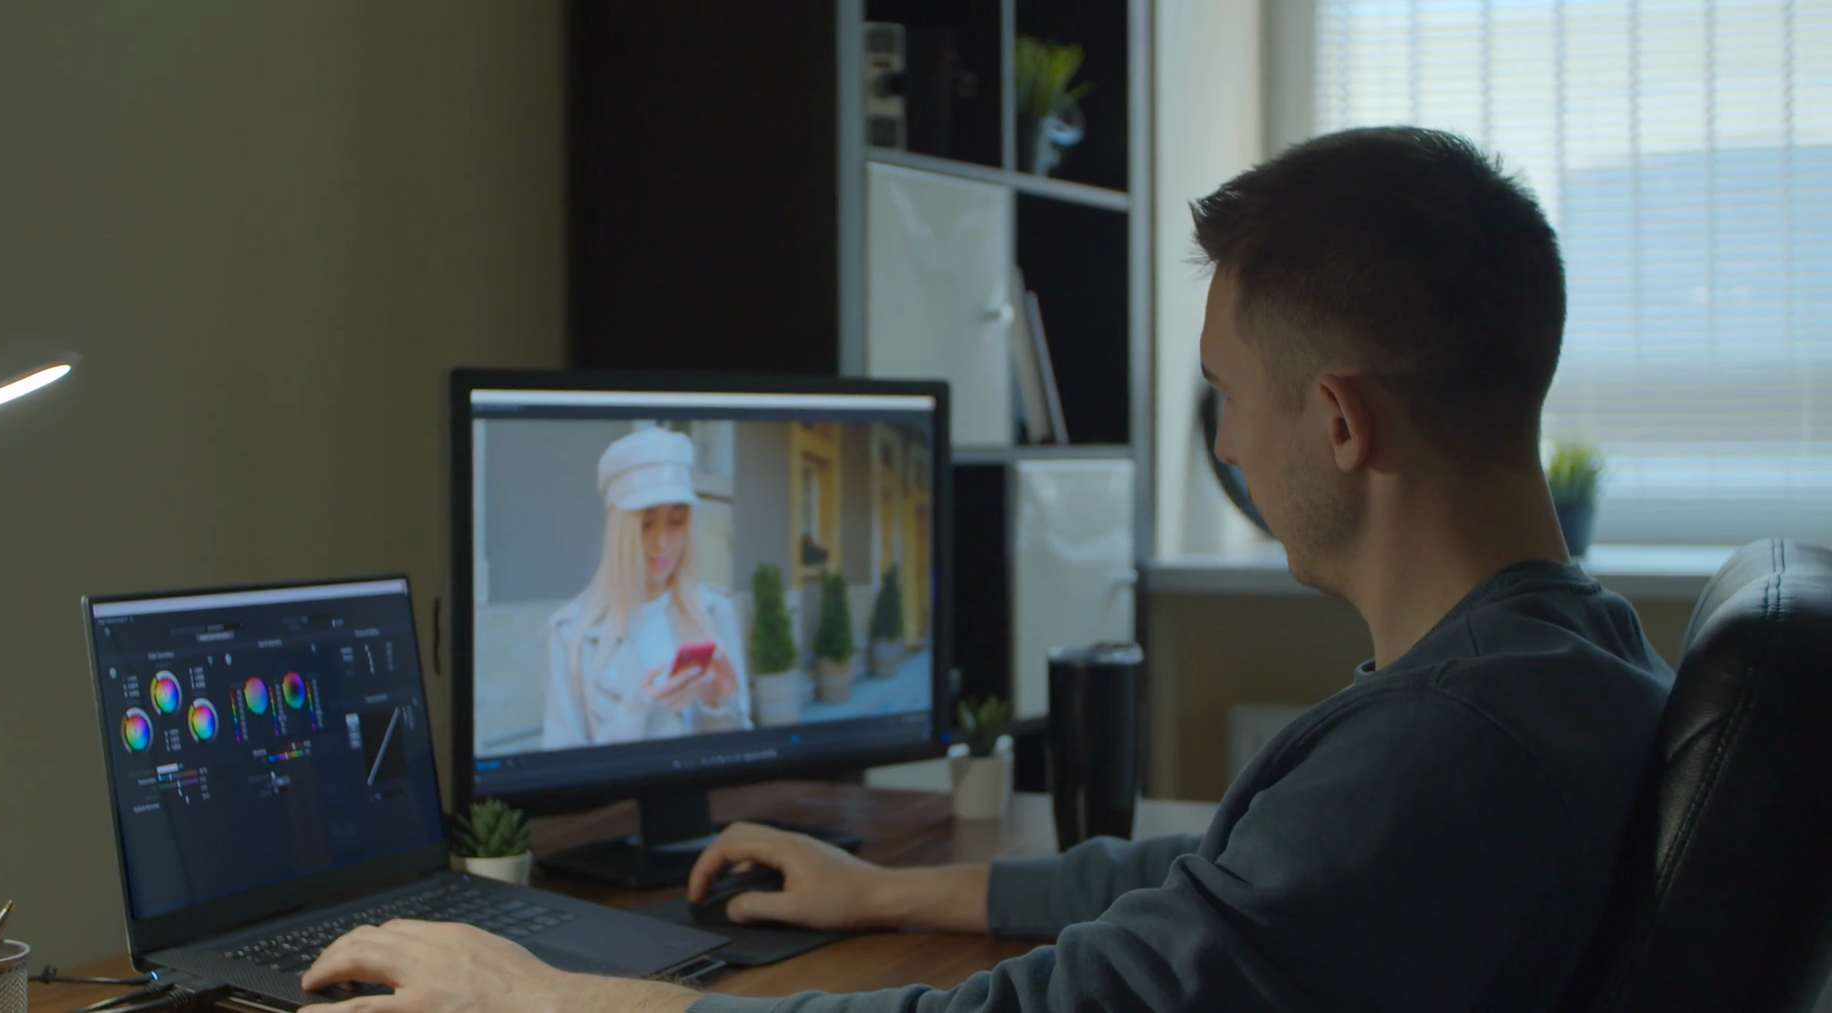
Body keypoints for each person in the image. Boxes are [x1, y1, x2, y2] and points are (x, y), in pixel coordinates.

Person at [303, 127, 1673, 1011]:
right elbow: (1227, 878)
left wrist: (541, 993)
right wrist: (885, 889)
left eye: (1226, 395)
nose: (1229, 443)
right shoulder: (1567, 652)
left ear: (1339, 421)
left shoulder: (1443, 748)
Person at [540, 426, 751, 748]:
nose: (662, 542)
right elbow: (561, 767)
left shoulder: (715, 612)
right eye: (646, 524)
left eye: (676, 522)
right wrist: (637, 713)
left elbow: (744, 751)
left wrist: (717, 707)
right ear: (619, 532)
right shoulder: (572, 635)